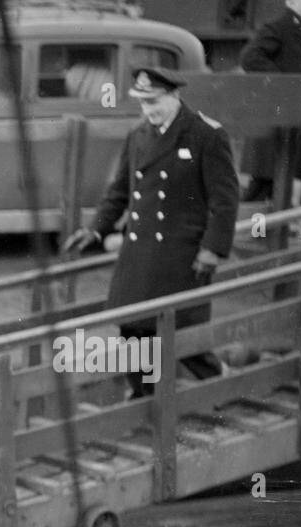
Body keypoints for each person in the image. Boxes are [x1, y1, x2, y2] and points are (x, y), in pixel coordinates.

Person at [64, 67, 239, 397]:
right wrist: (96, 230)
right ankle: (143, 397)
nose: (149, 110)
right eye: (143, 103)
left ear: (173, 96)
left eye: (154, 102)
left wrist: (212, 248)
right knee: (132, 327)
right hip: (140, 251)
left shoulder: (206, 135)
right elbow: (118, 192)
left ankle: (222, 385)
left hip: (182, 253)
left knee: (185, 336)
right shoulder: (139, 135)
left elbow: (225, 200)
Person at [238, 0, 301, 203]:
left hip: (294, 120)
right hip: (274, 121)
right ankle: (255, 233)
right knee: (263, 189)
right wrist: (282, 83)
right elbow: (250, 57)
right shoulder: (280, 26)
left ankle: (278, 233)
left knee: (285, 186)